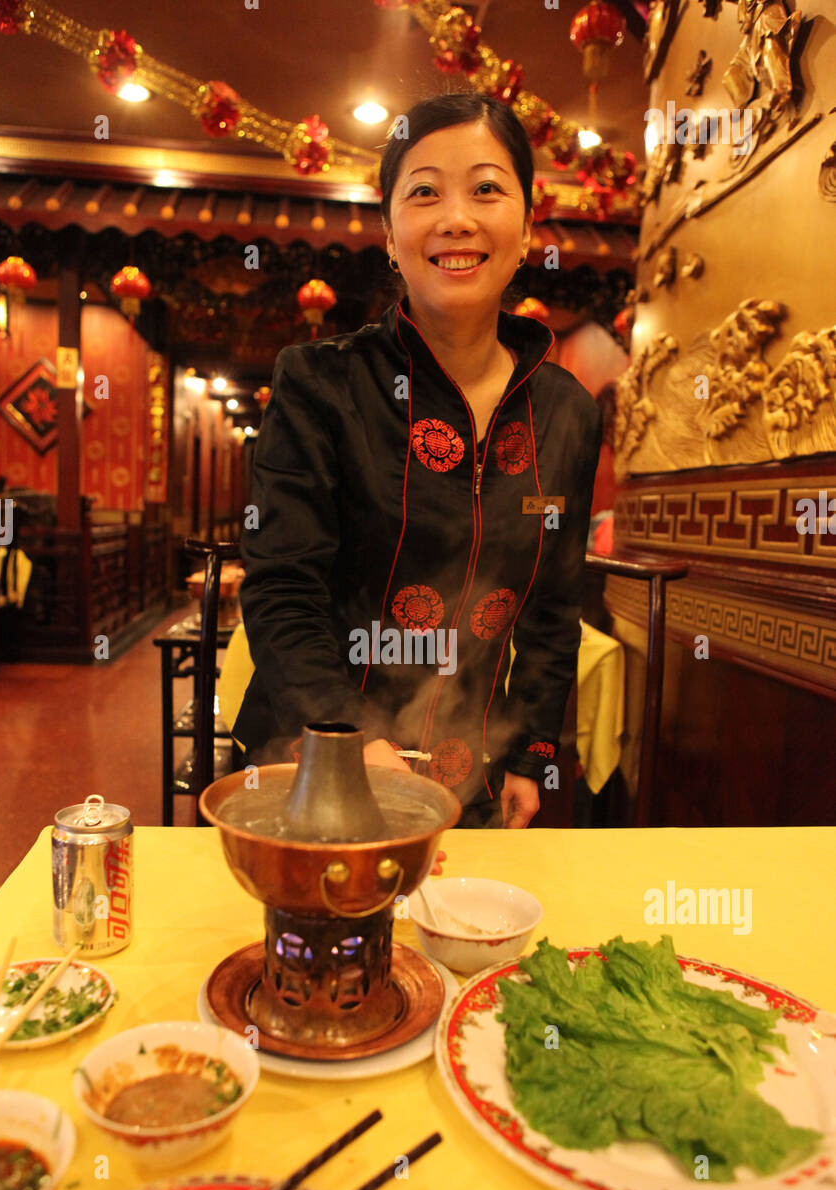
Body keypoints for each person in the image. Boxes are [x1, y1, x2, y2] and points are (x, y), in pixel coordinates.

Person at [234, 93, 602, 828]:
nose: (456, 218)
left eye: (487, 189)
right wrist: (351, 738)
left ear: (528, 228)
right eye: (424, 191)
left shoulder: (566, 412)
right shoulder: (320, 384)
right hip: (313, 763)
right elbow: (282, 589)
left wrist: (530, 753)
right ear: (392, 233)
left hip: (469, 785)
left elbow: (554, 612)